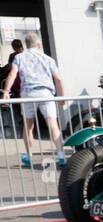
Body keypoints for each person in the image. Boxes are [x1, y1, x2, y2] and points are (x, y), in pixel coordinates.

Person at [1, 33, 64, 169]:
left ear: (26, 44)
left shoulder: (19, 57)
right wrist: (61, 97)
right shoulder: (48, 59)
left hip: (28, 93)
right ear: (38, 44)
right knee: (53, 124)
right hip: (46, 93)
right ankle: (61, 155)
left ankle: (28, 156)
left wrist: (6, 92)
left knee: (28, 126)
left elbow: (12, 74)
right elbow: (58, 79)